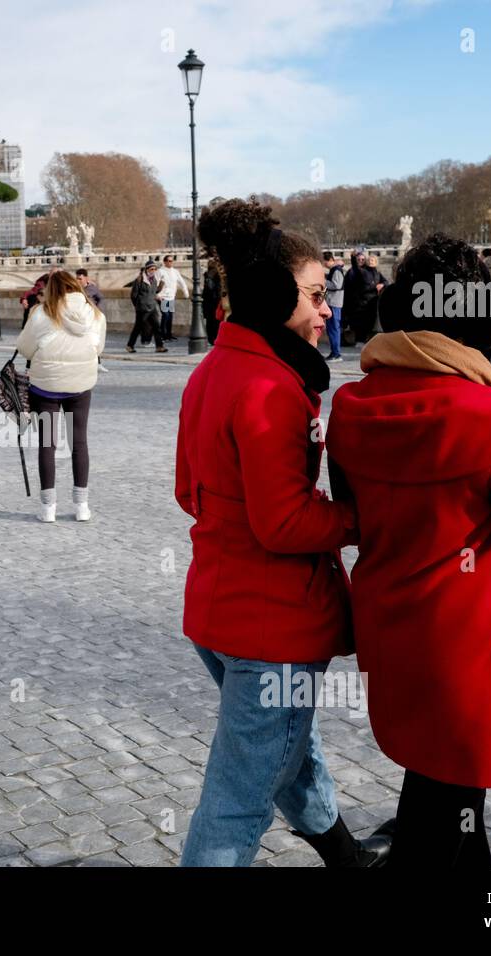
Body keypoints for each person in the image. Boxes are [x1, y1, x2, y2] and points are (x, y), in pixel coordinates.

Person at [327, 233, 491, 866]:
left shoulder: (351, 408)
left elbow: (354, 514)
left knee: (433, 790)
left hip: (390, 632)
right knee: (460, 827)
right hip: (468, 655)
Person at [175, 198, 389, 868]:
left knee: (288, 752)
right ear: (275, 295)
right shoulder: (271, 387)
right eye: (317, 295)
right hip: (273, 626)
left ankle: (345, 857)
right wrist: (365, 518)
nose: (328, 310)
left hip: (217, 610)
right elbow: (286, 521)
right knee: (238, 798)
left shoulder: (211, 370)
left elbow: (189, 492)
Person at [16, 270, 106, 522]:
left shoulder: (41, 314)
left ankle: (48, 508)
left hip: (45, 387)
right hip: (80, 385)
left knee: (47, 444)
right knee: (79, 443)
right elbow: (98, 347)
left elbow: (24, 347)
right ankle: (82, 506)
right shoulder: (95, 314)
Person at [342, 247, 381, 344]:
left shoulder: (375, 272)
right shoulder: (359, 271)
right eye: (359, 259)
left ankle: (363, 340)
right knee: (358, 323)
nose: (361, 261)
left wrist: (382, 284)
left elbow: (385, 281)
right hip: (357, 302)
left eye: (363, 259)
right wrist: (352, 257)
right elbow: (348, 286)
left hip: (370, 302)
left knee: (368, 323)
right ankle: (358, 340)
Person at [127, 260, 166, 353]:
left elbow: (153, 291)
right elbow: (133, 295)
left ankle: (159, 346)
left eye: (155, 269)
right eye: (151, 269)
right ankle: (130, 346)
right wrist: (138, 305)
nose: (153, 271)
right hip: (142, 308)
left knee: (157, 327)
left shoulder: (154, 280)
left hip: (152, 307)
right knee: (138, 327)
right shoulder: (139, 280)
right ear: (147, 269)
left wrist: (161, 284)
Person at [155, 254, 189, 341]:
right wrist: (157, 295)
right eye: (169, 261)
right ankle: (163, 335)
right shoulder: (160, 271)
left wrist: (186, 293)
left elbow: (182, 282)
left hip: (171, 297)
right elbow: (155, 284)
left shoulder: (175, 272)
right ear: (165, 262)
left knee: (170, 316)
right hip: (163, 297)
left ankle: (169, 335)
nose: (171, 263)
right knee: (165, 315)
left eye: (172, 261)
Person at [322, 251, 344, 361]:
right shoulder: (335, 270)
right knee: (332, 329)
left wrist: (324, 281)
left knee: (334, 328)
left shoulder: (336, 270)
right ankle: (334, 352)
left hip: (334, 303)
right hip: (333, 302)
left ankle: (336, 354)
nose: (324, 265)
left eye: (324, 262)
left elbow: (337, 285)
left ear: (330, 260)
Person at [201, 259, 223, 346]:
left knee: (212, 321)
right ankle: (214, 338)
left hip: (211, 302)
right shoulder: (210, 275)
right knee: (214, 321)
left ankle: (212, 339)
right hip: (213, 301)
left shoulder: (209, 274)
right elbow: (211, 288)